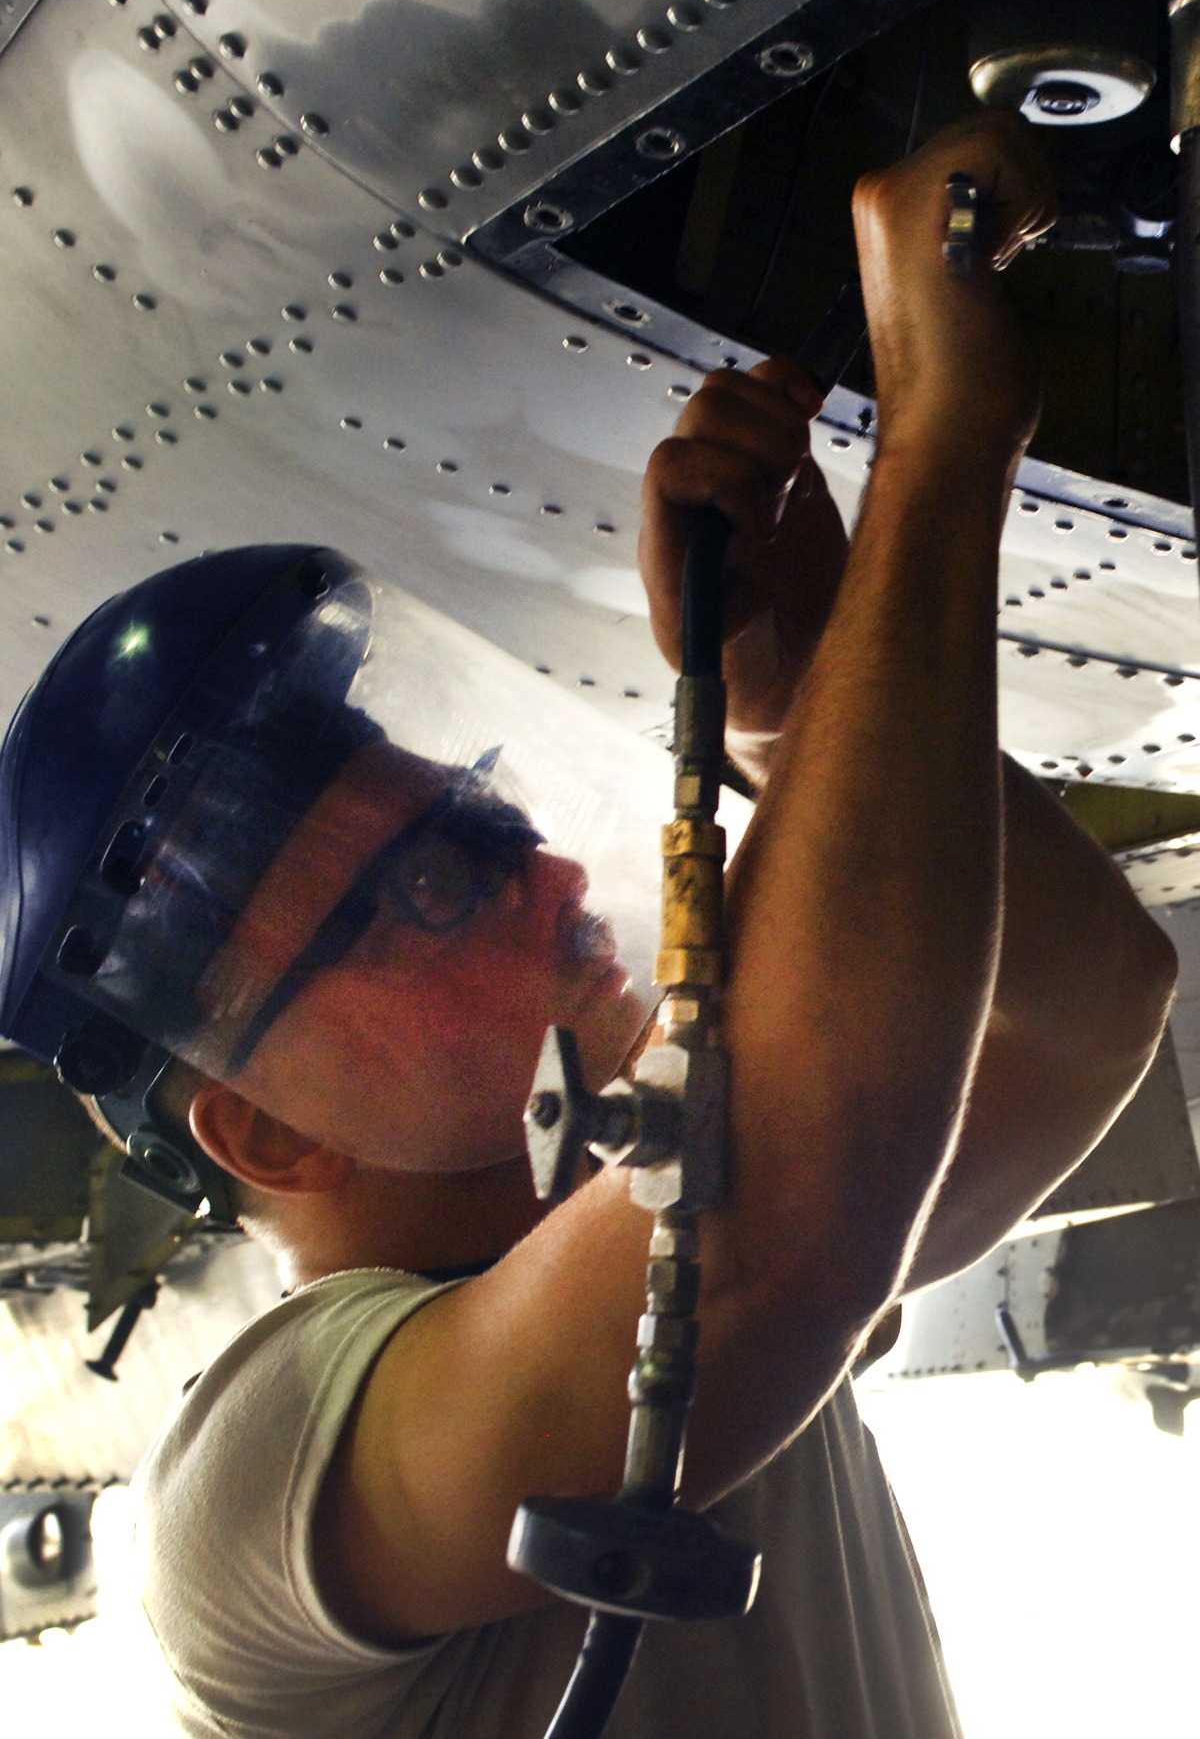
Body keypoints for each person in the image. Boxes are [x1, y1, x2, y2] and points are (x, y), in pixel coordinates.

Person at [0, 113, 1176, 1737]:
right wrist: (938, 457)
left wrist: (796, 695)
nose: (550, 883)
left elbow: (1087, 1000)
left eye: (496, 836)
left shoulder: (692, 1267)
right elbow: (782, 1223)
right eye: (429, 888)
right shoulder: (249, 1490)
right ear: (261, 1128)